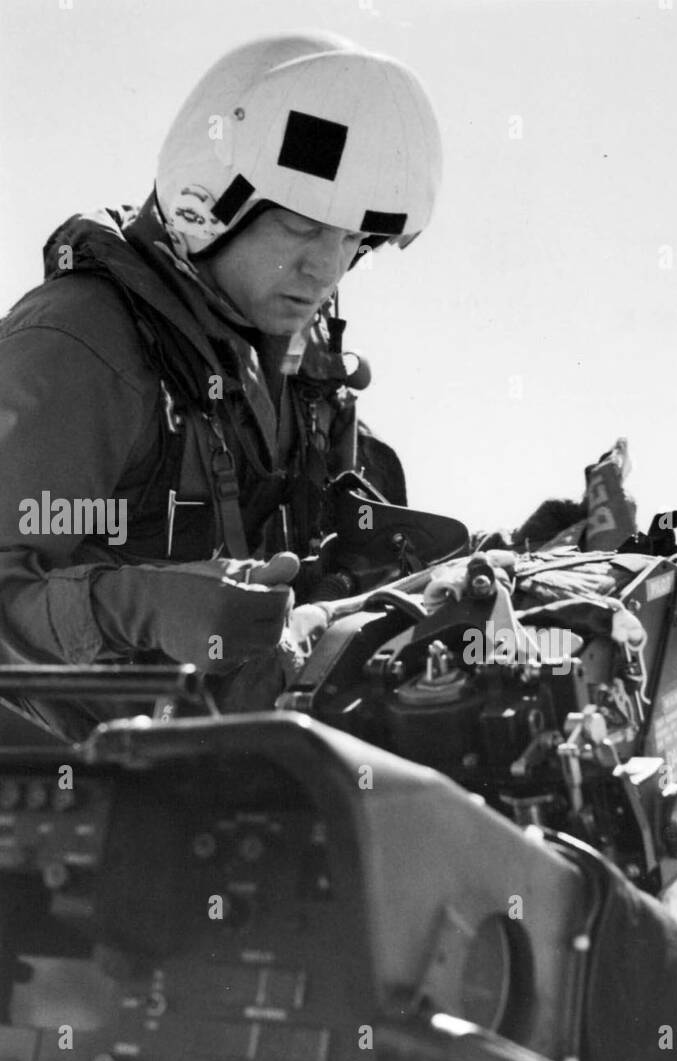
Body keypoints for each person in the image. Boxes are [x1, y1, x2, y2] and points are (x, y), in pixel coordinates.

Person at [0, 32, 441, 740]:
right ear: (208, 203)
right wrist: (146, 607)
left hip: (269, 775)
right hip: (98, 801)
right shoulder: (78, 347)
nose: (325, 271)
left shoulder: (294, 367)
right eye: (302, 228)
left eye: (355, 244)